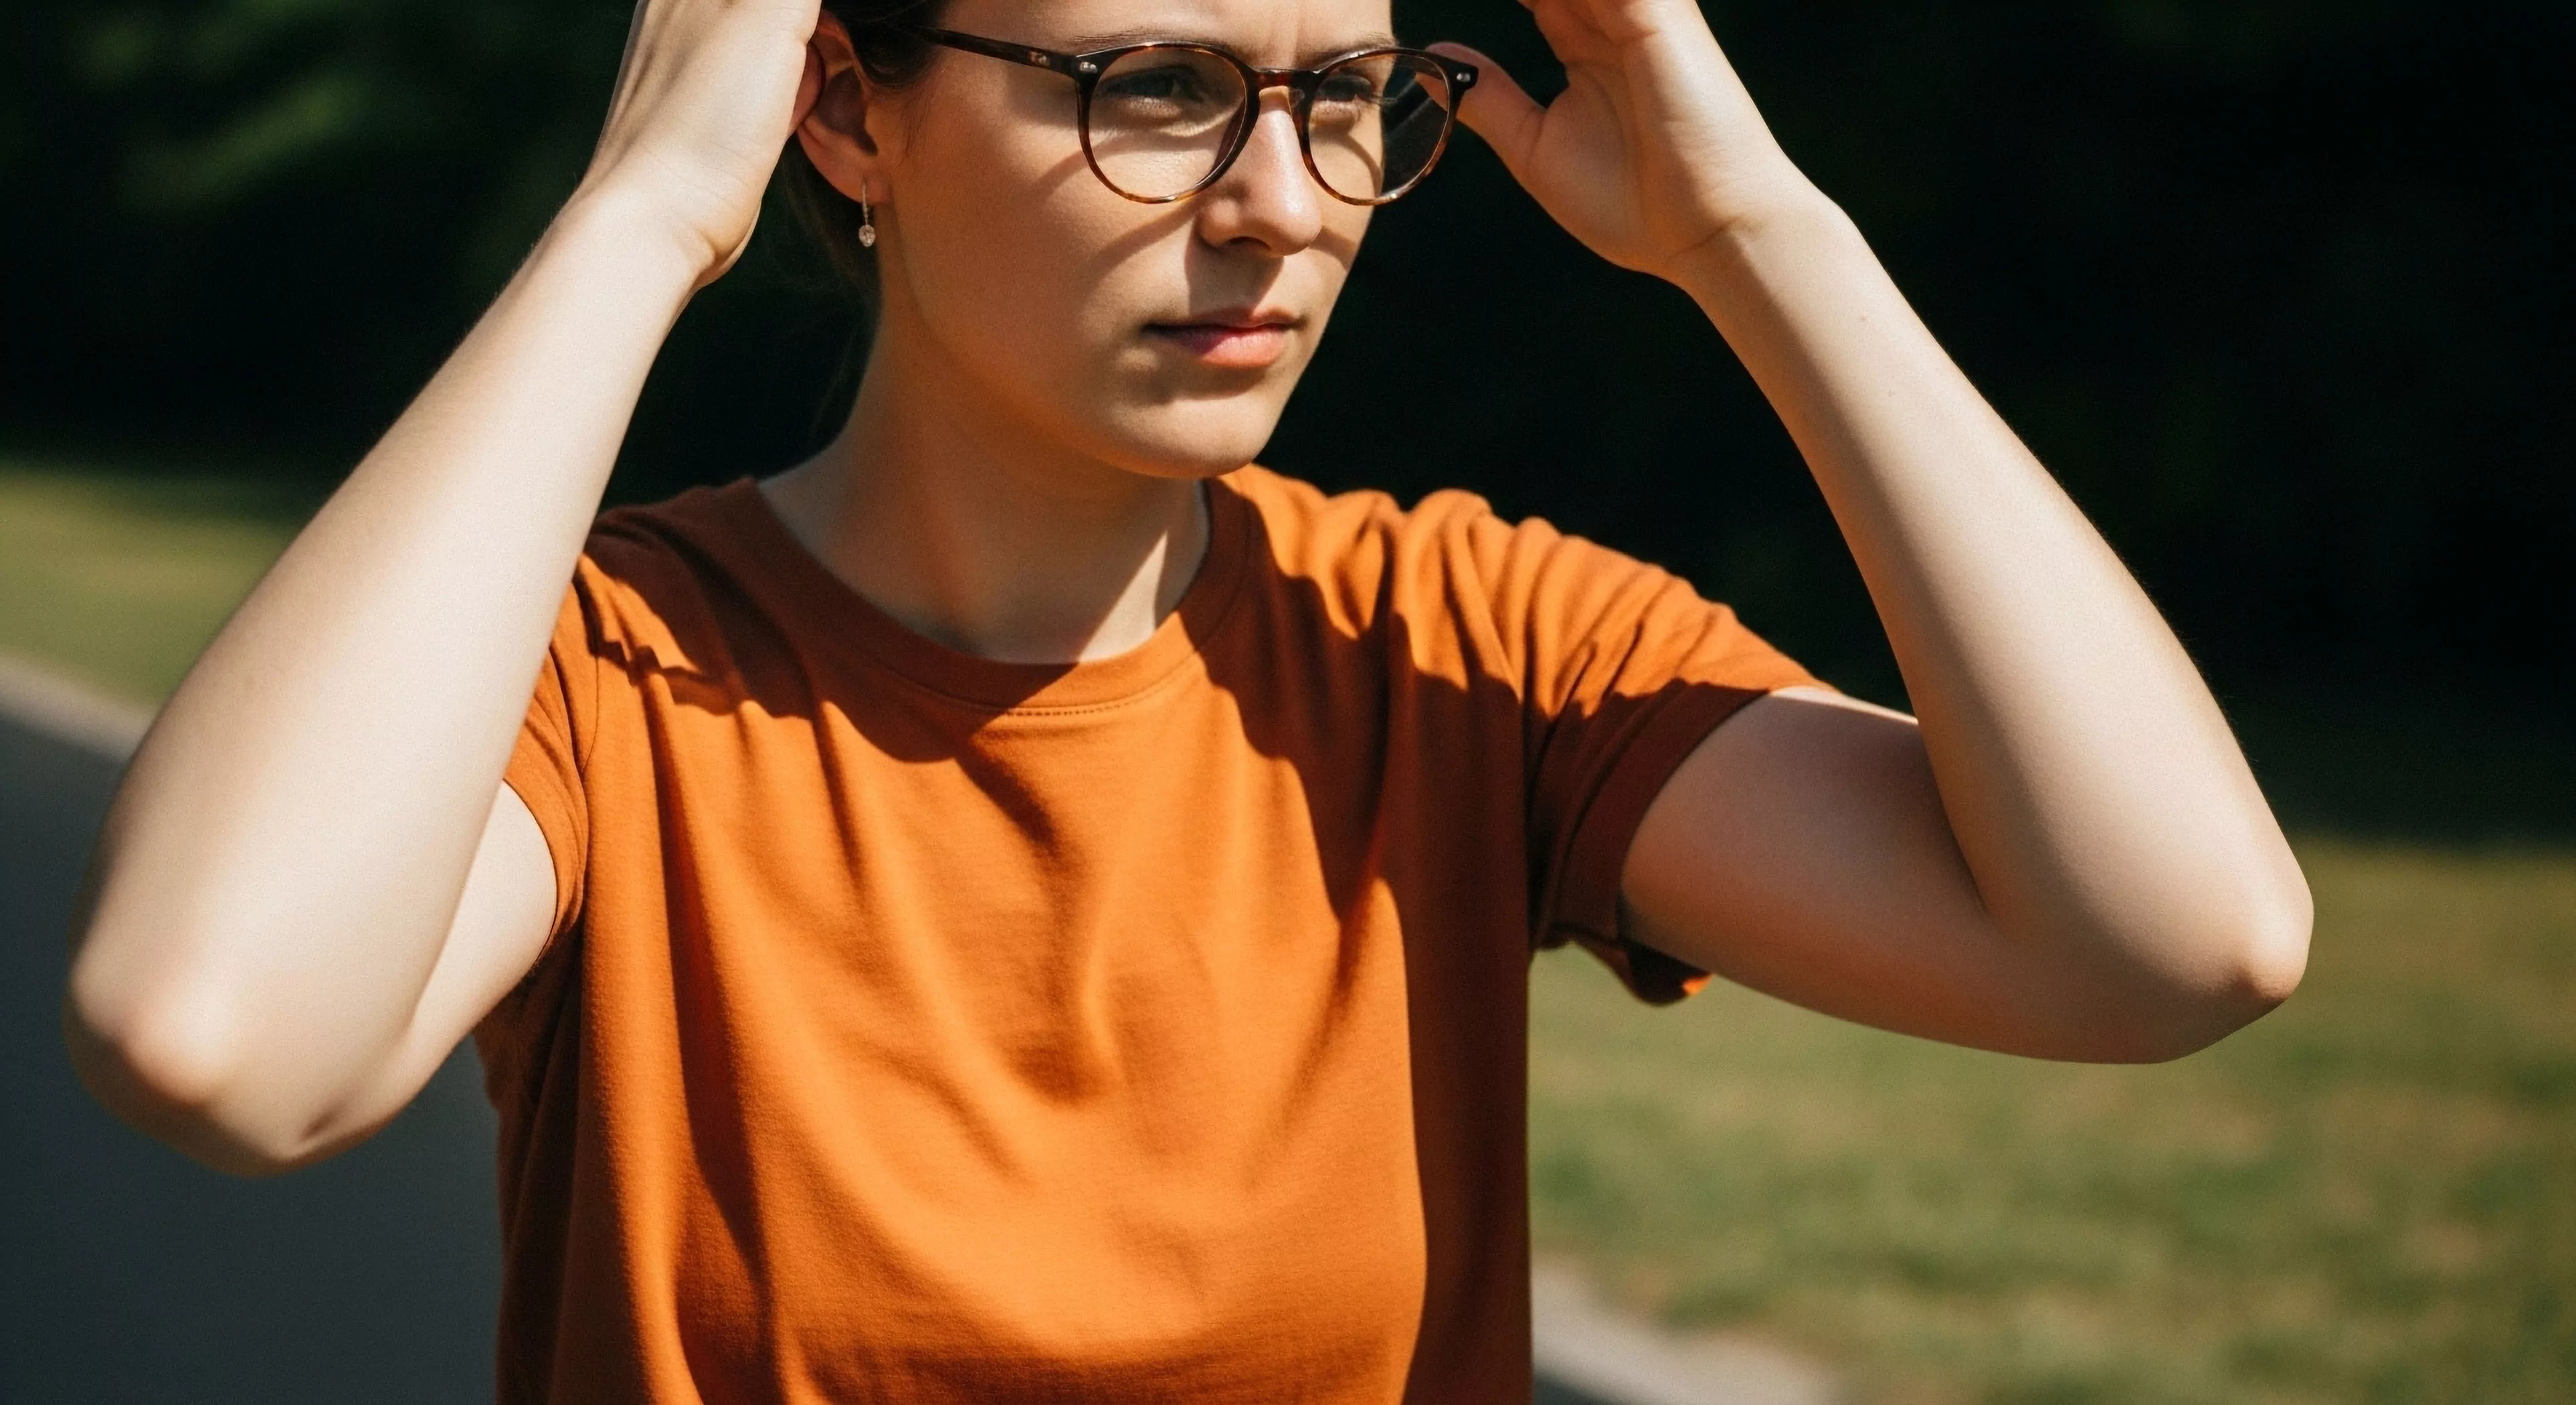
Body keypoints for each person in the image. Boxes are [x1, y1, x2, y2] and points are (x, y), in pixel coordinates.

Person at [62, 0, 2312, 1397]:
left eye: (1344, 99)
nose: (1279, 206)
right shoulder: (615, 677)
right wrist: (644, 207)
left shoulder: (1464, 650)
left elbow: (2171, 940)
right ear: (846, 106)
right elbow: (213, 1027)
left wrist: (1753, 222)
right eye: (1157, 88)